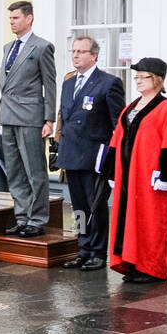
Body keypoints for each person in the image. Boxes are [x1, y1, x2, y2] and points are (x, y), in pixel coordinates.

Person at [102, 58, 167, 284]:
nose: (137, 80)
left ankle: (152, 268)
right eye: (136, 76)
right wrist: (112, 173)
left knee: (151, 222)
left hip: (152, 178)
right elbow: (116, 138)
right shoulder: (131, 106)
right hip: (129, 177)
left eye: (143, 76)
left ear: (157, 79)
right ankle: (131, 262)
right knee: (129, 221)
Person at [57, 36, 125, 271]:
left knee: (95, 206)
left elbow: (118, 124)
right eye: (73, 51)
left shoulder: (108, 83)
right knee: (78, 207)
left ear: (94, 55)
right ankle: (83, 248)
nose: (75, 55)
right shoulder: (68, 83)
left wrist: (113, 157)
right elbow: (64, 118)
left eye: (81, 51)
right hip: (72, 154)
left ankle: (97, 252)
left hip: (95, 156)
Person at [0, 1, 57, 237]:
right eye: (10, 18)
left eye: (16, 17)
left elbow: (50, 86)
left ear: (29, 18)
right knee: (14, 171)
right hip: (8, 115)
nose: (12, 21)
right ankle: (22, 216)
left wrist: (49, 119)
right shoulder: (7, 48)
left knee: (35, 171)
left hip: (31, 117)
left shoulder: (42, 47)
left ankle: (38, 218)